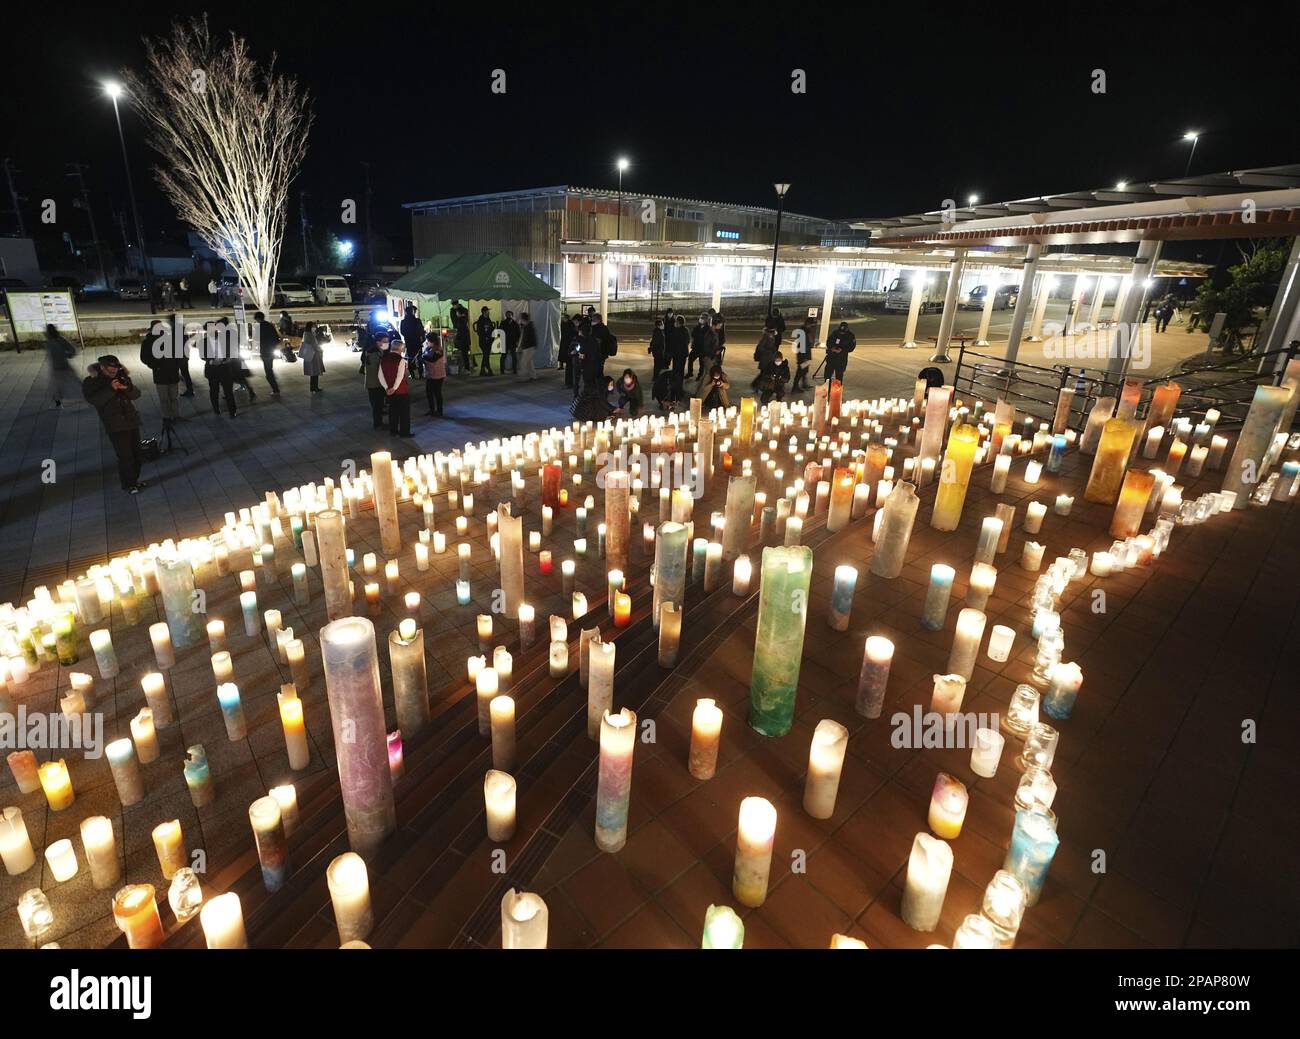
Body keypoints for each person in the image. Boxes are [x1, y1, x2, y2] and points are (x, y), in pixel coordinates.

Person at [82, 355, 145, 493]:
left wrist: (126, 388)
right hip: (114, 424)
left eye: (115, 370)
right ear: (102, 368)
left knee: (137, 454)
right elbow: (95, 400)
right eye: (110, 371)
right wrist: (111, 389)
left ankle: (135, 480)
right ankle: (129, 484)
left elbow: (136, 394)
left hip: (131, 420)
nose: (113, 373)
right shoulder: (91, 382)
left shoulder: (122, 376)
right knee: (125, 456)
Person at [138, 317, 184, 425]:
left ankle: (176, 416)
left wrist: (177, 365)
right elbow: (144, 358)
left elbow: (180, 354)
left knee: (174, 397)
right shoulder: (148, 342)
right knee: (164, 399)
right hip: (160, 374)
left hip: (172, 373)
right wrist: (155, 365)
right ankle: (166, 417)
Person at [203, 320, 239, 416]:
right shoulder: (203, 342)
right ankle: (216, 408)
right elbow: (202, 356)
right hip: (212, 369)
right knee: (214, 391)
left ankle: (232, 411)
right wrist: (211, 361)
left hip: (225, 368)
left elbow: (231, 351)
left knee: (228, 391)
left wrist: (229, 359)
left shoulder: (224, 338)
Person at [379, 334, 412, 437]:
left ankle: (393, 431)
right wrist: (394, 388)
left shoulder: (383, 359)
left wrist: (387, 388)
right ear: (400, 348)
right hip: (401, 390)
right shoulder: (400, 360)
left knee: (392, 412)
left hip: (389, 390)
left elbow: (380, 375)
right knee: (404, 413)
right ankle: (404, 432)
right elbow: (400, 376)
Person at [43, 324, 79, 408]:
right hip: (61, 365)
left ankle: (59, 400)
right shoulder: (57, 340)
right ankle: (58, 400)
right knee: (71, 382)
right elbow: (72, 350)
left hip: (59, 366)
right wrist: (67, 355)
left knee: (59, 384)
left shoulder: (54, 341)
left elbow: (72, 350)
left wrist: (65, 355)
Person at [253, 311, 282, 396]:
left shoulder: (260, 327)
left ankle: (275, 389)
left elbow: (256, 339)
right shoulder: (270, 325)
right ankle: (275, 385)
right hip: (271, 350)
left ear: (258, 318)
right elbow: (277, 339)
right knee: (270, 369)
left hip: (265, 351)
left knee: (268, 372)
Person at [364, 331, 388, 429]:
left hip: (376, 383)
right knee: (377, 405)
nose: (387, 343)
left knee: (378, 404)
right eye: (385, 341)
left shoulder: (376, 351)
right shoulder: (374, 354)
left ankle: (379, 423)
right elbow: (378, 369)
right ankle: (378, 424)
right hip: (375, 383)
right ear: (378, 342)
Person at [421, 331, 446, 415]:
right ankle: (431, 409)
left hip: (438, 375)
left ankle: (439, 411)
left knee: (437, 393)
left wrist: (423, 358)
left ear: (433, 341)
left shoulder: (438, 350)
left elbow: (432, 359)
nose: (427, 342)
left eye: (428, 341)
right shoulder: (428, 348)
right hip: (430, 374)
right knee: (429, 393)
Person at [300, 322, 325, 392]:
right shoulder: (310, 334)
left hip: (310, 354)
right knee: (315, 372)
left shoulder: (306, 333)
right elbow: (314, 345)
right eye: (313, 326)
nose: (315, 327)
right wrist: (320, 350)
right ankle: (315, 387)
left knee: (313, 372)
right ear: (310, 327)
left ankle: (313, 387)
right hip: (313, 355)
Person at [667, 314, 689, 391]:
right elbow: (687, 341)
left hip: (677, 354)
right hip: (683, 354)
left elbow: (673, 343)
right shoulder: (686, 330)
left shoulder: (676, 331)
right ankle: (680, 385)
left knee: (676, 370)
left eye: (676, 321)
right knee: (681, 370)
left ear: (678, 322)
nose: (674, 323)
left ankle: (676, 386)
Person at [687, 314, 712, 379]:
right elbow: (693, 334)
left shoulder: (708, 329)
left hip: (703, 349)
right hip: (695, 347)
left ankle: (700, 375)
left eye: (703, 318)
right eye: (701, 318)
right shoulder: (697, 327)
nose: (701, 319)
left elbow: (707, 339)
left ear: (706, 320)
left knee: (702, 363)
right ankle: (690, 373)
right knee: (690, 359)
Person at [791, 320, 812, 392]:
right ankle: (795, 386)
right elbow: (802, 345)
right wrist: (805, 357)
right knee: (800, 371)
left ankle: (804, 384)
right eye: (811, 325)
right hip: (803, 355)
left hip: (805, 355)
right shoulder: (803, 332)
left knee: (804, 370)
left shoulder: (805, 331)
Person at [450, 299, 471, 373]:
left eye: (454, 305)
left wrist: (460, 316)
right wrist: (460, 316)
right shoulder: (452, 310)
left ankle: (467, 368)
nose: (453, 306)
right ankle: (463, 367)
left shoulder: (464, 310)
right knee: (460, 352)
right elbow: (454, 321)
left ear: (457, 304)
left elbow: (465, 320)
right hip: (459, 333)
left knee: (465, 351)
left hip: (463, 333)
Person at [517, 311, 537, 381]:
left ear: (523, 319)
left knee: (524, 362)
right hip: (528, 347)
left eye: (520, 318)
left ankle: (522, 376)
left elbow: (530, 337)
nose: (519, 319)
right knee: (529, 362)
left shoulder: (529, 326)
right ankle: (533, 376)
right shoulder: (526, 326)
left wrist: (521, 346)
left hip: (529, 347)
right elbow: (523, 337)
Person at [474, 306, 495, 375]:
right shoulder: (480, 320)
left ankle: (482, 370)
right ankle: (489, 369)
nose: (489, 312)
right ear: (484, 312)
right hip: (483, 341)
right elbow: (479, 332)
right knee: (486, 355)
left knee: (486, 355)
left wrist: (492, 338)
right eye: (487, 311)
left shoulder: (488, 319)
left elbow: (491, 329)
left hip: (489, 341)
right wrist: (485, 337)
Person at [559, 313, 577, 386]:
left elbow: (569, 337)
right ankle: (569, 382)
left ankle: (569, 382)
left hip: (569, 348)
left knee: (570, 367)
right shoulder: (568, 325)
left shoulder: (569, 326)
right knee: (570, 366)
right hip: (569, 348)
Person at [500, 309, 520, 375]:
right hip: (504, 342)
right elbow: (500, 332)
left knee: (514, 356)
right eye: (507, 315)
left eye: (510, 315)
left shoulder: (515, 324)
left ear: (512, 315)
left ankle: (515, 370)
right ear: (505, 315)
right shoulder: (503, 323)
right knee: (503, 356)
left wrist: (517, 341)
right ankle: (502, 370)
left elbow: (518, 333)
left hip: (513, 342)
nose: (508, 316)